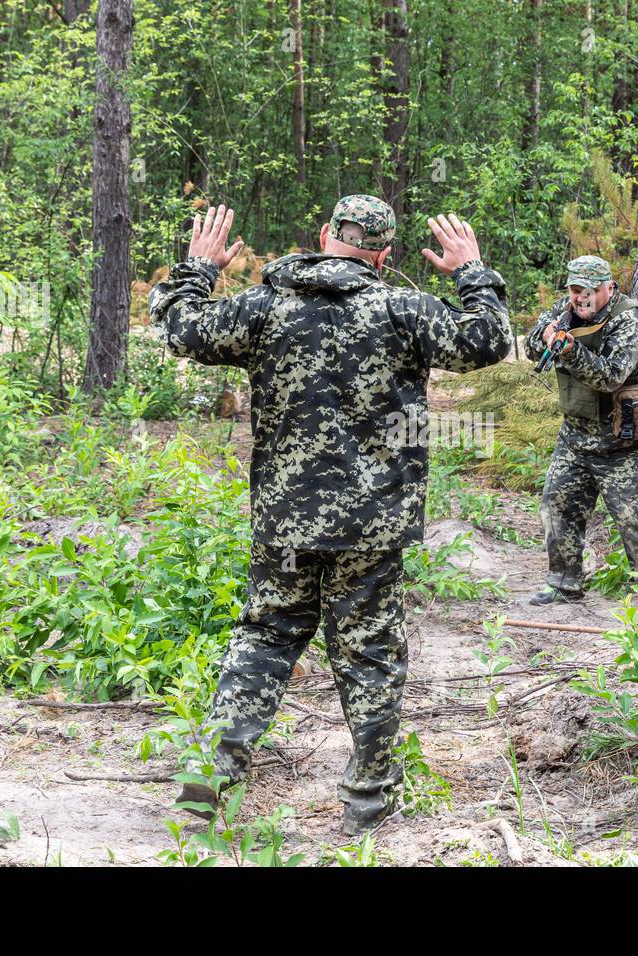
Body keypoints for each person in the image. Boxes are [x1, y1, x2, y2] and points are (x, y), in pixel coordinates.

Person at [148, 195, 511, 834]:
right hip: (371, 527)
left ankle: (209, 777)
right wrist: (470, 270)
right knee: (370, 651)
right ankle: (368, 801)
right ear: (385, 253)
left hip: (286, 522)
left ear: (323, 235)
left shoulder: (267, 306)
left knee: (265, 636)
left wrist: (199, 268)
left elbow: (180, 330)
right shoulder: (403, 309)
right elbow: (487, 341)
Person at [524, 255, 638, 606]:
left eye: (590, 292)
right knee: (557, 506)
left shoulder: (630, 322)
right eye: (575, 291)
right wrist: (547, 336)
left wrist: (570, 349)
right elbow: (533, 348)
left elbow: (609, 377)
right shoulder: (564, 310)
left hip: (624, 444)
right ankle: (564, 584)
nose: (582, 299)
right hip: (576, 437)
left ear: (609, 287)